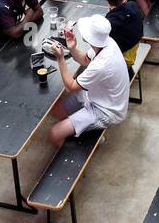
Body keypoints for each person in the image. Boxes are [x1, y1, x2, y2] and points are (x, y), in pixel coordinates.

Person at [47, 15, 130, 147]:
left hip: (107, 110)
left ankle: (75, 152)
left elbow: (70, 87)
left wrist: (60, 58)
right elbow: (85, 60)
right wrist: (72, 48)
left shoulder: (102, 64)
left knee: (54, 134)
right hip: (96, 95)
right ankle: (81, 128)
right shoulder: (106, 42)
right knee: (56, 111)